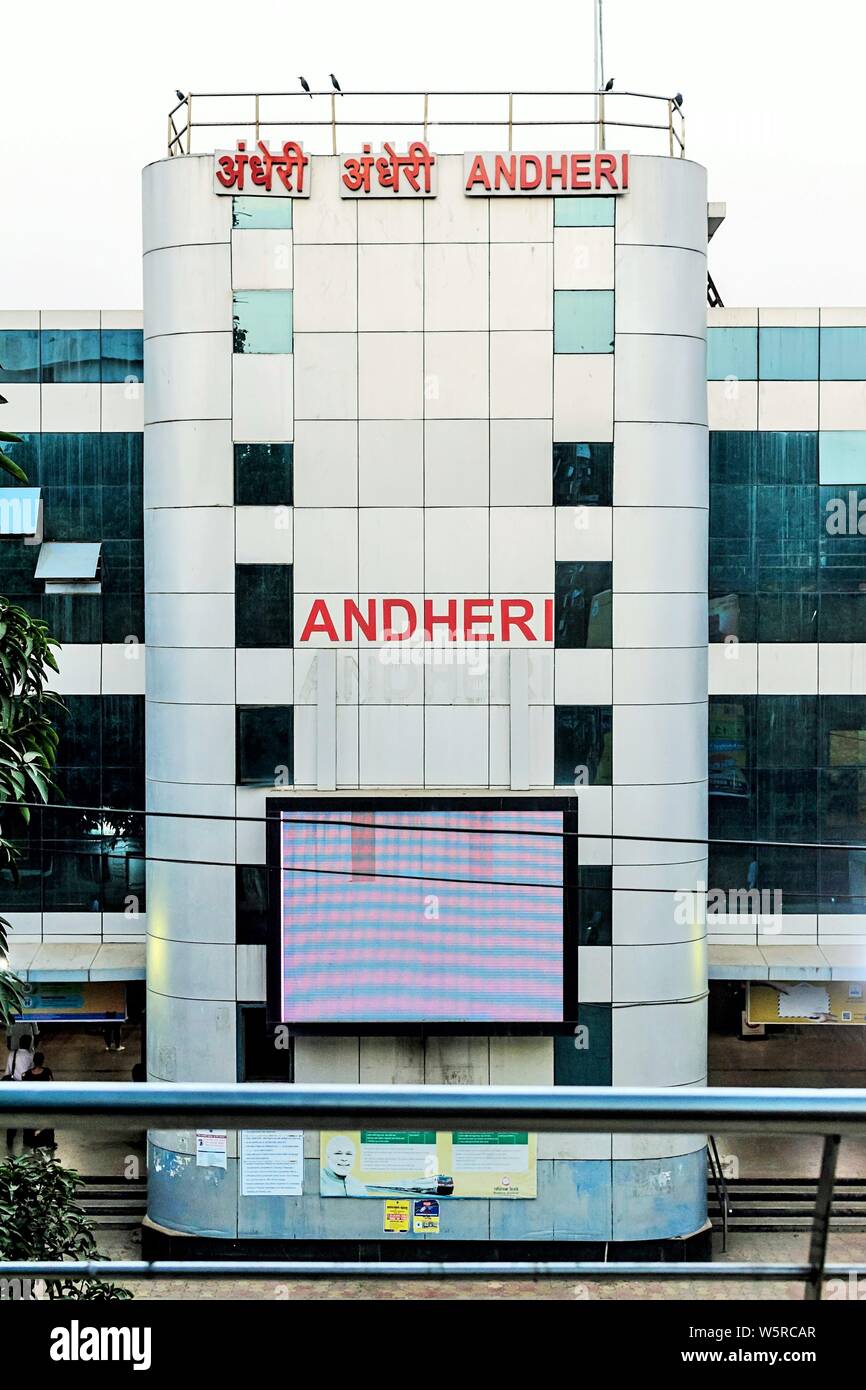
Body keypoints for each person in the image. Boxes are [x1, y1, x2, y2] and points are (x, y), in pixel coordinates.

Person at [4, 1035, 34, 1150]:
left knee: (13, 1114)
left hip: (14, 1087)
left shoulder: (12, 1054)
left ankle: (10, 1138)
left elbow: (7, 1072)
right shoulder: (31, 1056)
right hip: (26, 1089)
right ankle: (27, 1140)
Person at [22, 1053, 55, 1151]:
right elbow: (52, 1085)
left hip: (31, 1103)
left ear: (33, 1061)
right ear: (42, 1061)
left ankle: (31, 1141)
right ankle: (48, 1142)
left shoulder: (27, 1074)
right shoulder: (47, 1072)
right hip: (44, 1102)